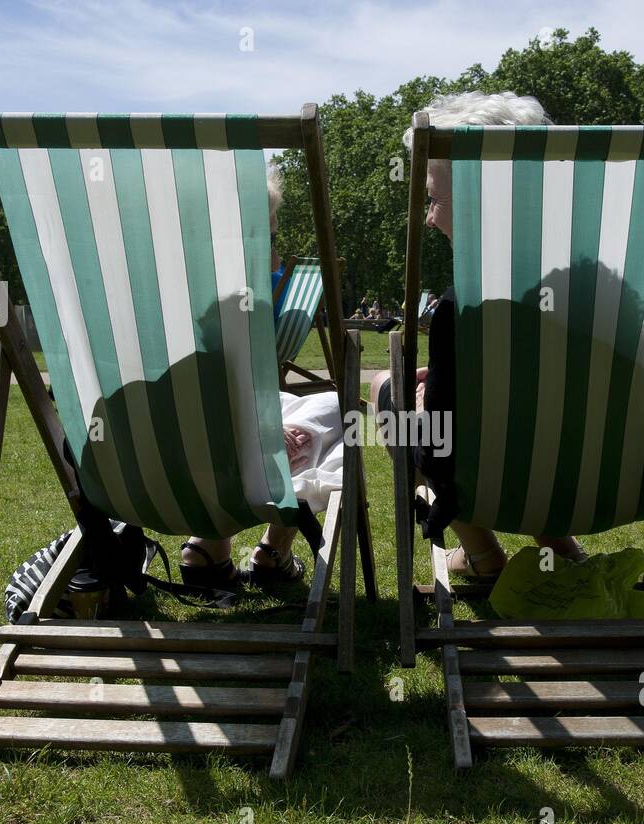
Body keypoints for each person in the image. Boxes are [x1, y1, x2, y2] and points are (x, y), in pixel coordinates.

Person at [368, 90, 585, 581]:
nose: (428, 216)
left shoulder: (467, 305)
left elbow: (443, 441)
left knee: (388, 388)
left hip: (493, 479)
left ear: (479, 201)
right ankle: (561, 549)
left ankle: (484, 558)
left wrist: (423, 403)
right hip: (606, 479)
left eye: (433, 200)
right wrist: (446, 377)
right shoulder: (601, 285)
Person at [180, 164, 346, 588]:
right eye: (267, 240)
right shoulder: (227, 310)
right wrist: (269, 436)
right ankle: (273, 551)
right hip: (231, 458)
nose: (275, 259)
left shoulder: (151, 308)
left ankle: (209, 547)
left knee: (319, 408)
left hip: (138, 474)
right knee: (340, 414)